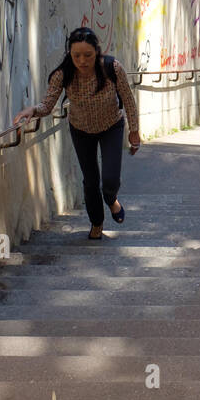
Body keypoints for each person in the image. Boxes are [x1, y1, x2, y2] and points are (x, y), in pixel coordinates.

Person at [13, 27, 140, 241]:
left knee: (109, 179)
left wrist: (134, 131)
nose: (82, 61)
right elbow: (47, 104)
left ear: (97, 52)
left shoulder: (112, 68)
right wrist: (32, 110)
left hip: (111, 126)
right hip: (81, 130)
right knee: (90, 181)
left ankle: (111, 199)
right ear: (70, 54)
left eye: (87, 55)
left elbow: (128, 100)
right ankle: (97, 223)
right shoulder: (63, 74)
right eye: (76, 56)